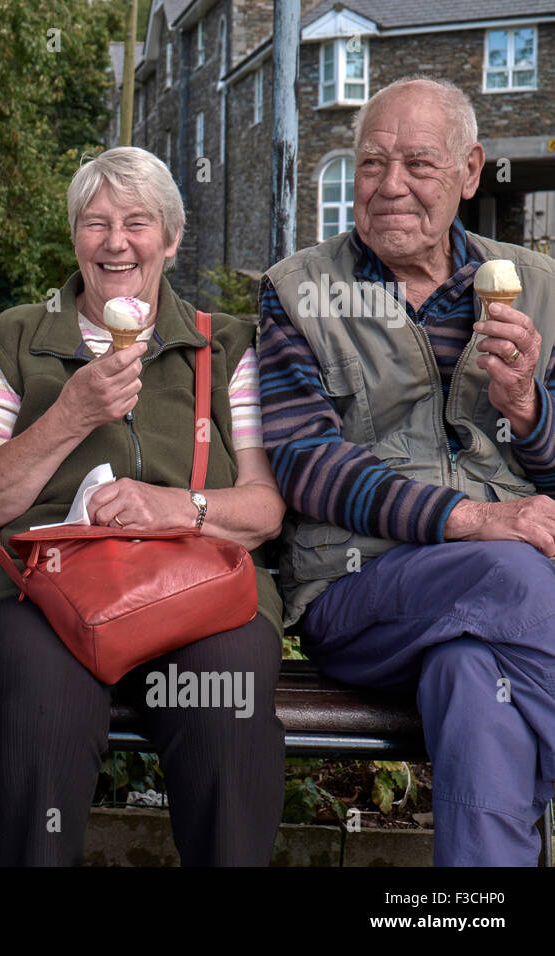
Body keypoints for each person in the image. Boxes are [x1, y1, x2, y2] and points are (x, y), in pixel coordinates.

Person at [0, 146, 286, 866]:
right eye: (95, 223)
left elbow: (263, 510)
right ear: (74, 236)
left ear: (171, 238)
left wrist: (177, 507)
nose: (115, 242)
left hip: (197, 584)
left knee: (224, 711)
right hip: (39, 586)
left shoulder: (225, 346)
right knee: (42, 709)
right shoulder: (16, 338)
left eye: (137, 223)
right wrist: (71, 414)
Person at [258, 76, 555, 866]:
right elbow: (306, 463)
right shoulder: (299, 293)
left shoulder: (539, 289)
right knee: (510, 573)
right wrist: (479, 521)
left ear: (470, 170)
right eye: (371, 163)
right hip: (358, 590)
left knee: (474, 684)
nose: (390, 185)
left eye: (419, 164)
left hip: (504, 614)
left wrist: (528, 409)